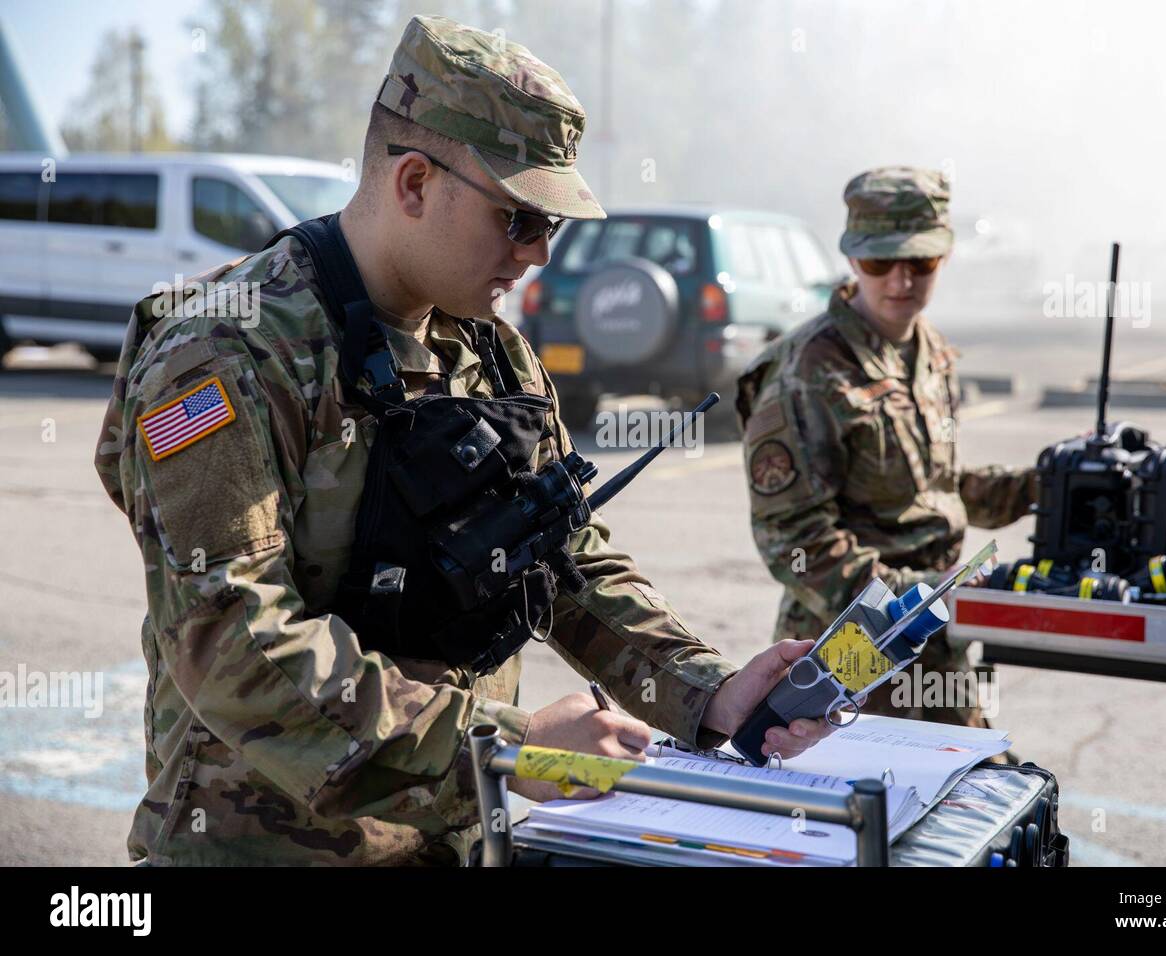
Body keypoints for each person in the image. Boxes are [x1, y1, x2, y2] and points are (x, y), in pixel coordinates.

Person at [94, 15, 831, 866]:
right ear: (413, 182)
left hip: (454, 835)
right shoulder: (226, 353)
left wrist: (706, 693)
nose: (540, 255)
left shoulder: (492, 349)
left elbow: (561, 555)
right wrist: (510, 745)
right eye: (519, 220)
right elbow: (231, 641)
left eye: (554, 227)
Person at [736, 167, 1035, 728]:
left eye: (919, 262)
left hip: (937, 644)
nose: (901, 281)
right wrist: (920, 599)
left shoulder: (928, 350)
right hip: (847, 650)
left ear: (944, 257)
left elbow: (935, 487)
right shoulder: (806, 371)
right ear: (853, 260)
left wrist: (1046, 485)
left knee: (968, 792)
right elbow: (793, 541)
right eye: (880, 263)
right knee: (856, 803)